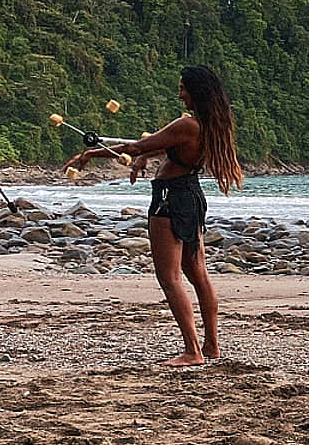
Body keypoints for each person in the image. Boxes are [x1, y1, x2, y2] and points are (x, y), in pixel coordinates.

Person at [64, 65, 243, 366]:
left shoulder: (187, 124)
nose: (179, 93)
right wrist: (144, 157)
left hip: (169, 198)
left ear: (196, 91)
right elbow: (160, 149)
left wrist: (90, 155)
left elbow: (136, 146)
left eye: (183, 88)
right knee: (197, 271)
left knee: (169, 276)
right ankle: (211, 346)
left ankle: (192, 351)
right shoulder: (209, 124)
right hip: (191, 195)